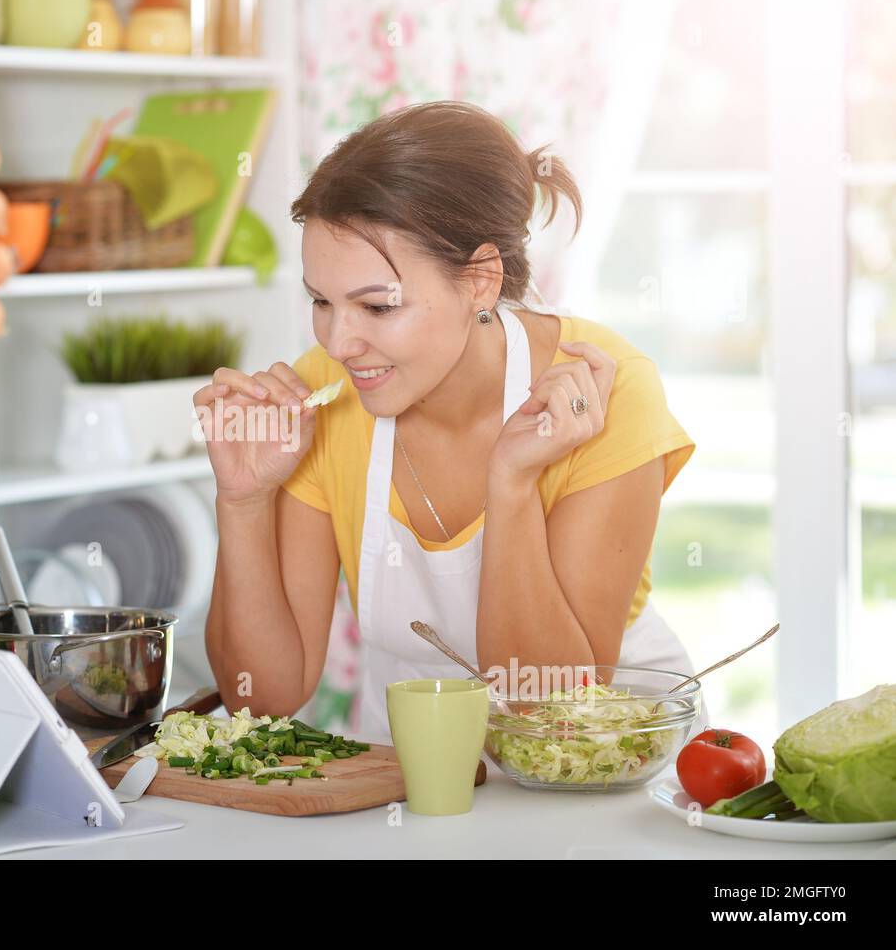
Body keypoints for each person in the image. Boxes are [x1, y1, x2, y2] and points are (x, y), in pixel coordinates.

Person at [197, 101, 698, 738]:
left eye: (377, 308)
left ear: (482, 280)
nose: (339, 342)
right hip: (409, 771)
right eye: (321, 301)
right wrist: (243, 502)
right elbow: (262, 697)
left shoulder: (602, 390)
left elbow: (547, 708)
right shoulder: (325, 394)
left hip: (600, 765)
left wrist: (512, 484)